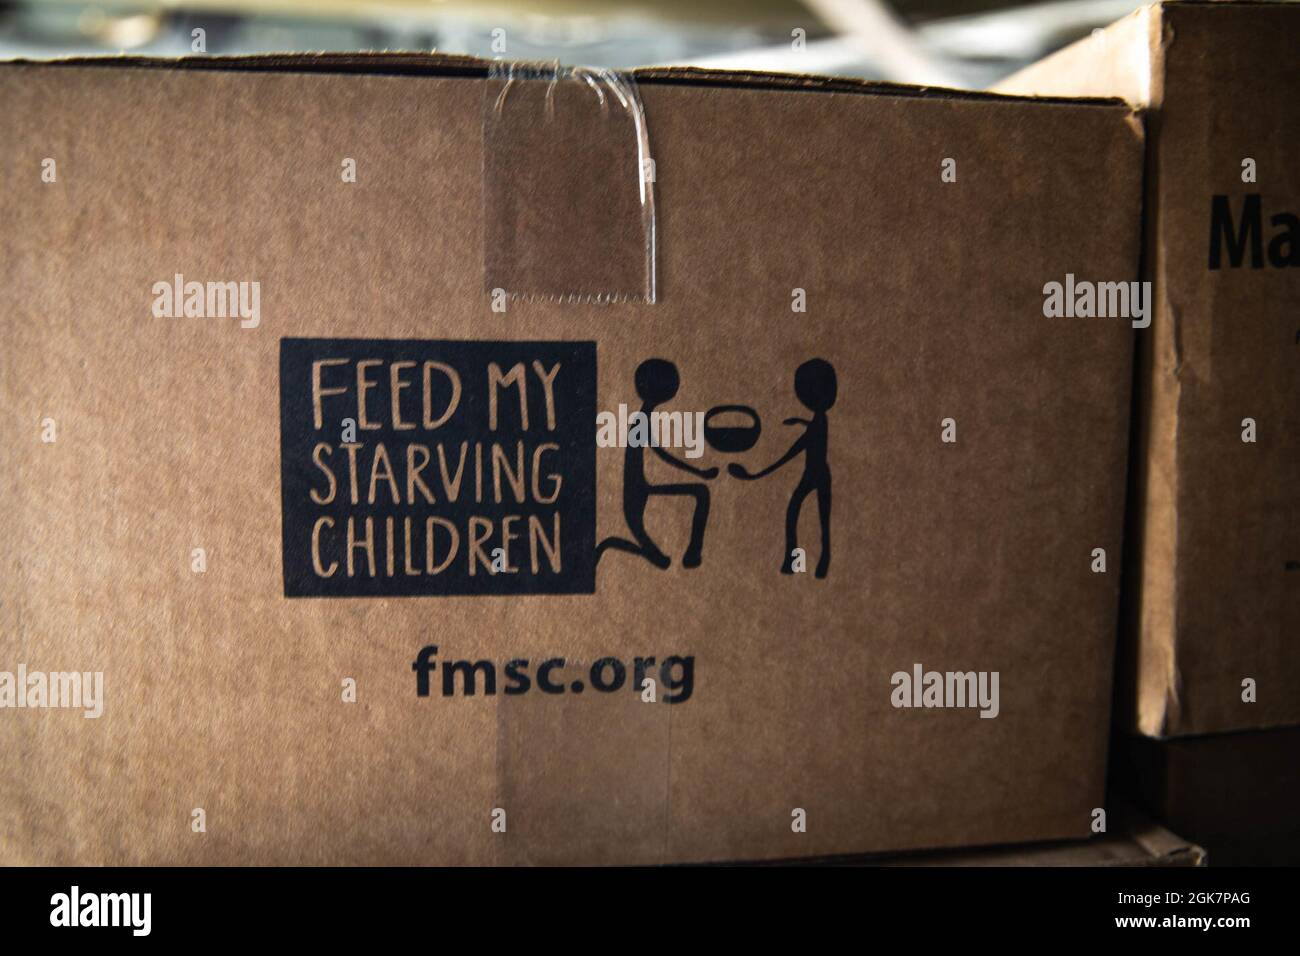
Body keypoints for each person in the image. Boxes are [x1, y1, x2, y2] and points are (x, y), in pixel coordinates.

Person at [596, 359, 718, 570]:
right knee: (660, 559)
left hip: (641, 488)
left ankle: (692, 552)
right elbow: (662, 455)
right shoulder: (641, 419)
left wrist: (698, 472)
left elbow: (658, 453)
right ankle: (608, 544)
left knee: (700, 492)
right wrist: (698, 471)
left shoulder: (643, 417)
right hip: (636, 492)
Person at [728, 358, 835, 578]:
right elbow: (815, 432)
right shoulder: (820, 420)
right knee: (816, 518)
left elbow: (793, 451)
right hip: (820, 474)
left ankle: (798, 561)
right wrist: (801, 423)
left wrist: (758, 474)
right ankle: (816, 561)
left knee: (800, 512)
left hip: (815, 474)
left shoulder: (817, 425)